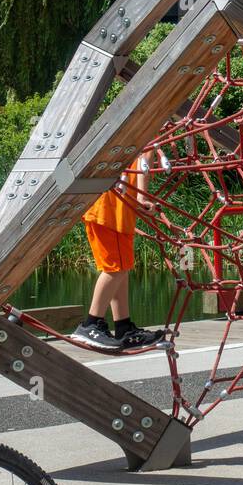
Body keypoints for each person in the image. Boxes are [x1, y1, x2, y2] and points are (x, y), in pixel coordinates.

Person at [72, 150, 164, 350]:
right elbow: (144, 162)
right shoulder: (147, 136)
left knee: (122, 268)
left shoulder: (129, 138)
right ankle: (90, 324)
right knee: (115, 269)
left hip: (113, 213)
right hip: (111, 213)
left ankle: (124, 327)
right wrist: (142, 199)